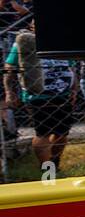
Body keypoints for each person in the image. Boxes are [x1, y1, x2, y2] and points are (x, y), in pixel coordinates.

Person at [2, 25, 78, 171]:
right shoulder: (24, 41)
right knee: (43, 132)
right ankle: (47, 169)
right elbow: (9, 67)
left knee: (62, 132)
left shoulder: (60, 41)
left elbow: (71, 67)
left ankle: (54, 162)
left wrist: (74, 88)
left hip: (63, 94)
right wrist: (9, 91)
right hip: (37, 95)